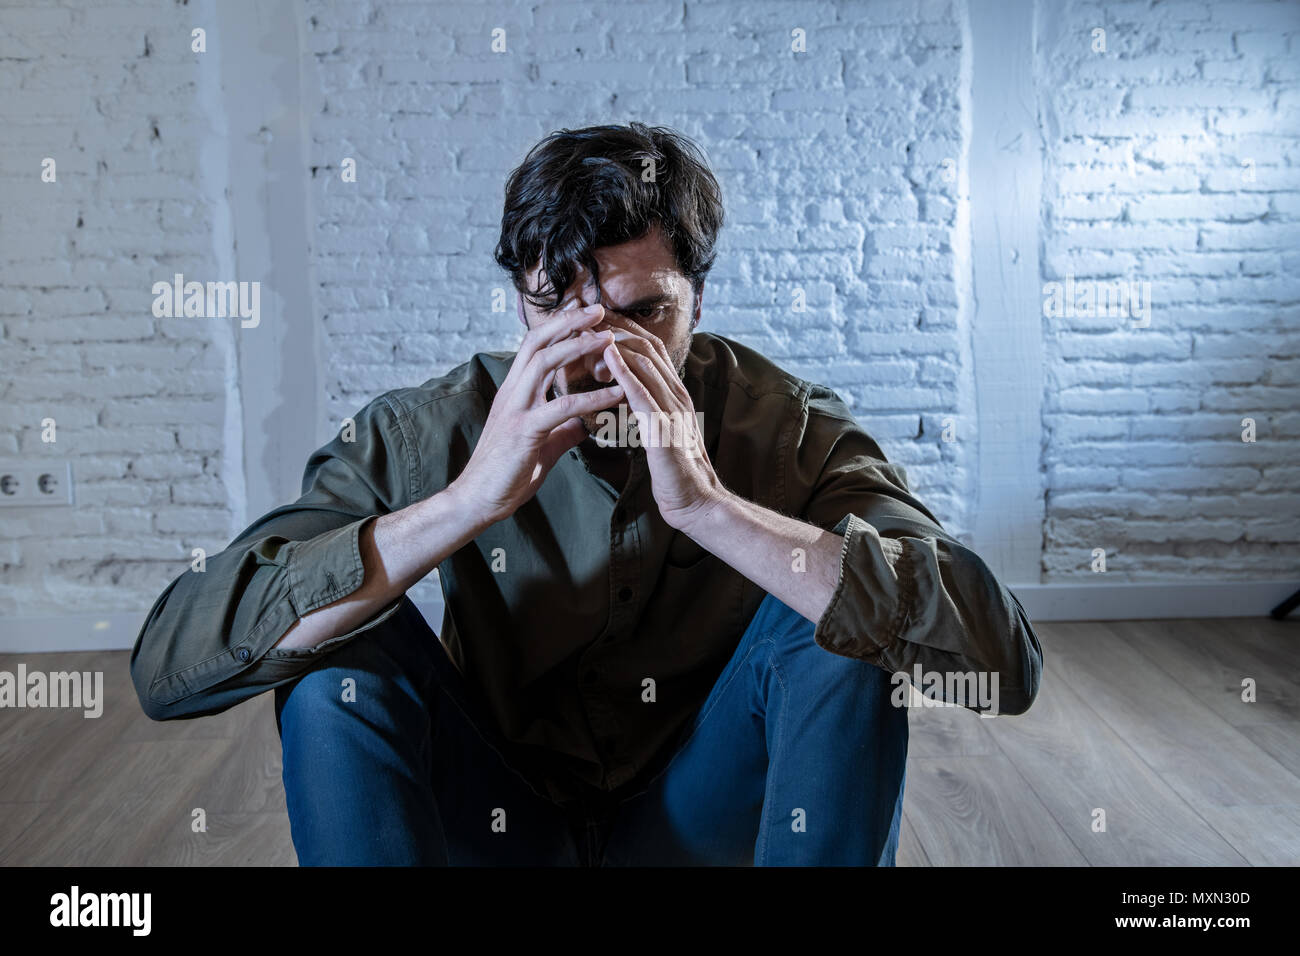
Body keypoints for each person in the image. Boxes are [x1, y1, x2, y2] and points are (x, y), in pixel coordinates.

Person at [130, 122, 1043, 866]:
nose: (600, 353)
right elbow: (170, 664)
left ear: (698, 299)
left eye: (643, 313)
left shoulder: (787, 424)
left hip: (695, 824)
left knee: (844, 615)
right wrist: (467, 503)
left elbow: (1003, 662)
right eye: (554, 310)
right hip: (499, 824)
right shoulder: (431, 428)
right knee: (336, 648)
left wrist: (712, 510)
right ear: (519, 300)